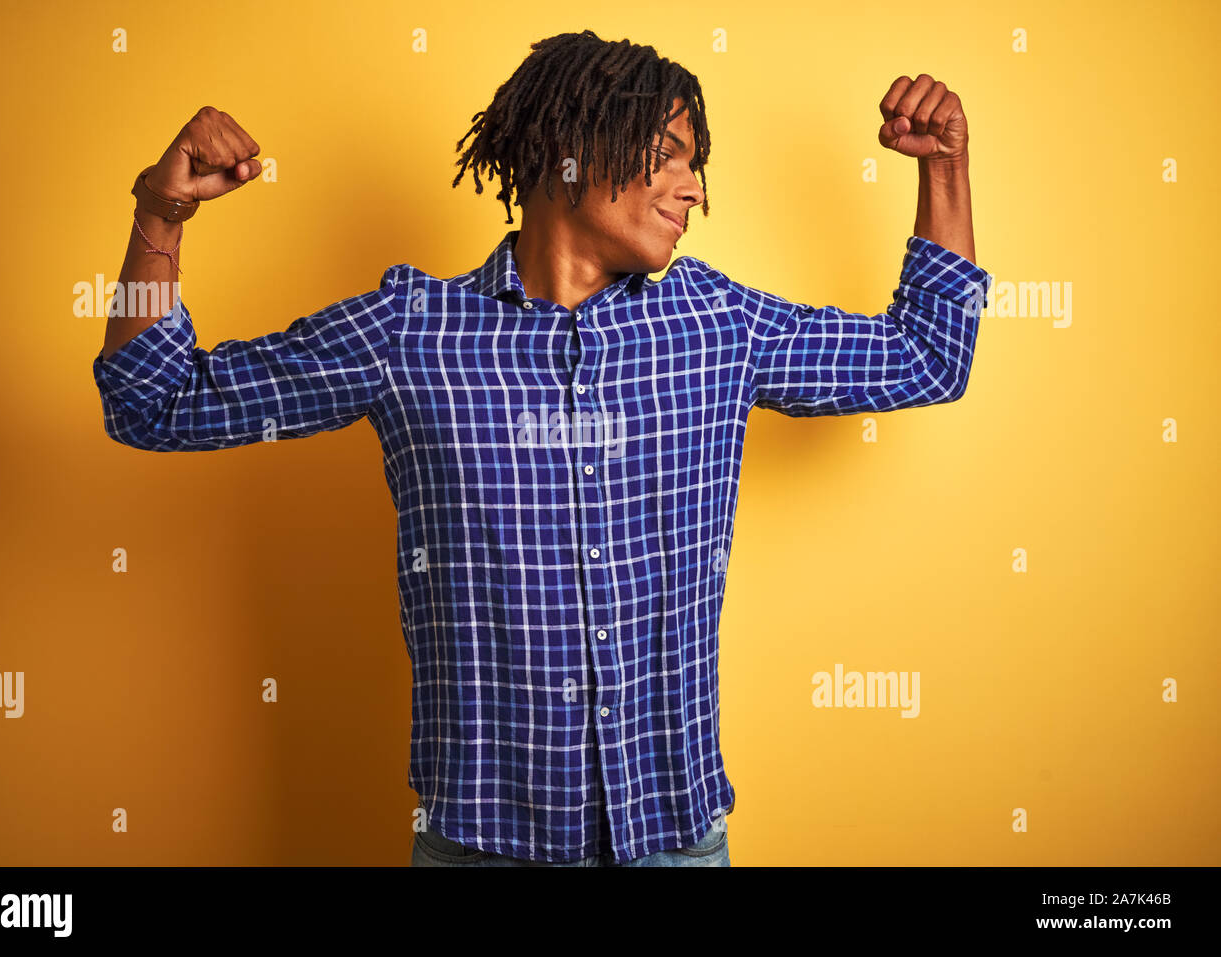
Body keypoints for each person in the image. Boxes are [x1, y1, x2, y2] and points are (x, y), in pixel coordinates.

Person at [94, 30, 989, 867]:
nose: (695, 190)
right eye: (672, 155)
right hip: (480, 842)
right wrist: (160, 217)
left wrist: (943, 166)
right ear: (574, 146)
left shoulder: (718, 322)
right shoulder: (410, 330)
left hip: (675, 837)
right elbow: (155, 401)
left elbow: (929, 356)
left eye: (696, 165)